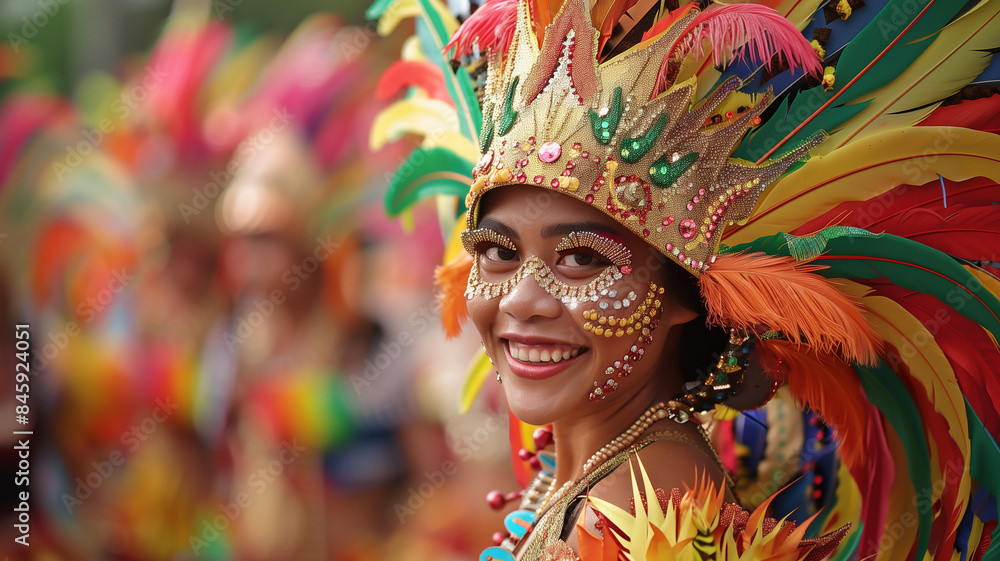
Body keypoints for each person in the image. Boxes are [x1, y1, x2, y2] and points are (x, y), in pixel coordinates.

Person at [370, 0, 1000, 559]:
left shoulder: (642, 517)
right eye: (496, 252)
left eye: (583, 259)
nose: (522, 300)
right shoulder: (603, 475)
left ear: (683, 295)